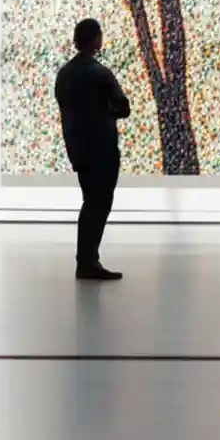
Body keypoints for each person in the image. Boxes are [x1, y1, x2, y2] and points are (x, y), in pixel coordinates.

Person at [55, 18, 130, 281]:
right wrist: (105, 112)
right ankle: (88, 262)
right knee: (99, 204)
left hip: (79, 149)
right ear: (96, 39)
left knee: (90, 203)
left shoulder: (65, 74)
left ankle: (86, 260)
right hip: (102, 149)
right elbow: (123, 107)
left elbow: (65, 106)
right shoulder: (101, 73)